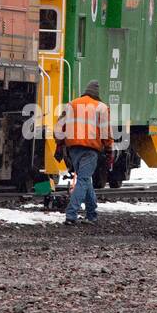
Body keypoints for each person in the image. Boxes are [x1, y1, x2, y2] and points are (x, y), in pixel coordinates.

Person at [57, 80, 112, 225]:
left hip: (73, 149)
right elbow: (106, 132)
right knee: (83, 180)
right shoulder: (101, 107)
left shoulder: (71, 104)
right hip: (90, 149)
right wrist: (109, 150)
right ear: (97, 94)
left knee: (86, 180)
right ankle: (71, 214)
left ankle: (91, 214)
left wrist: (59, 145)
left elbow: (59, 127)